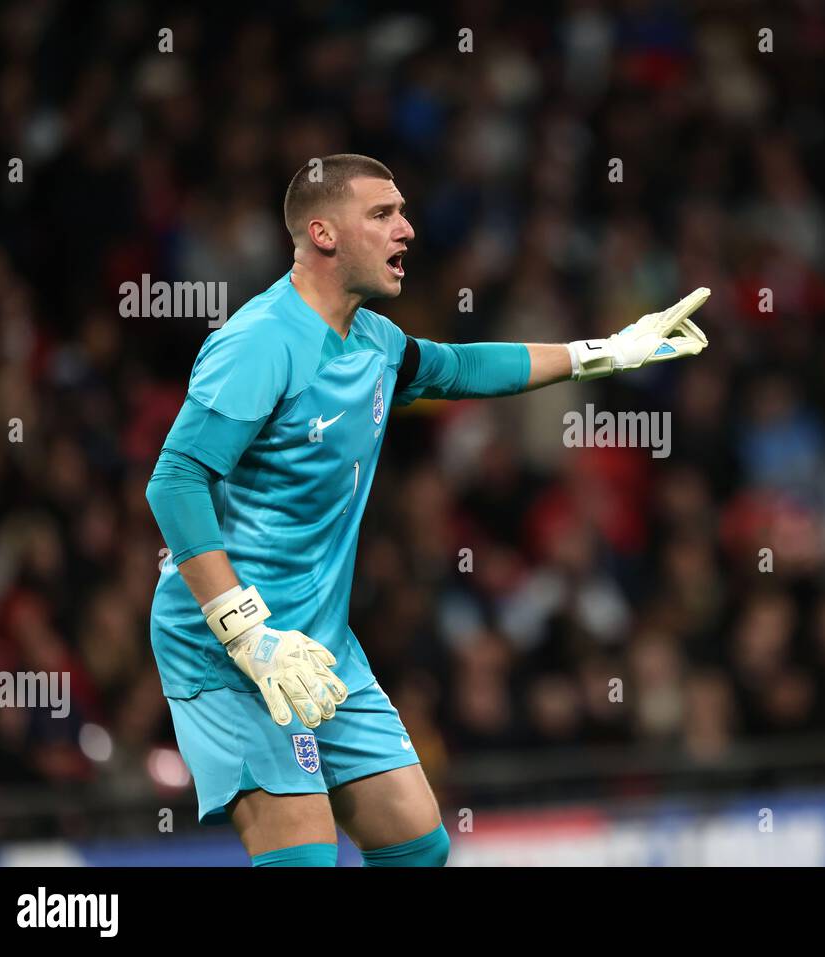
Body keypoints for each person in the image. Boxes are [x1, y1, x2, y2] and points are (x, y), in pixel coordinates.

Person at [144, 153, 709, 866]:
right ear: (323, 232)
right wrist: (244, 630)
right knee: (305, 858)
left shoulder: (376, 343)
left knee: (417, 843)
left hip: (319, 643)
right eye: (382, 214)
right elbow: (174, 481)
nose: (406, 229)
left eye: (404, 212)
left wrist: (603, 352)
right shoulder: (259, 342)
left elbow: (465, 367)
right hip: (228, 645)